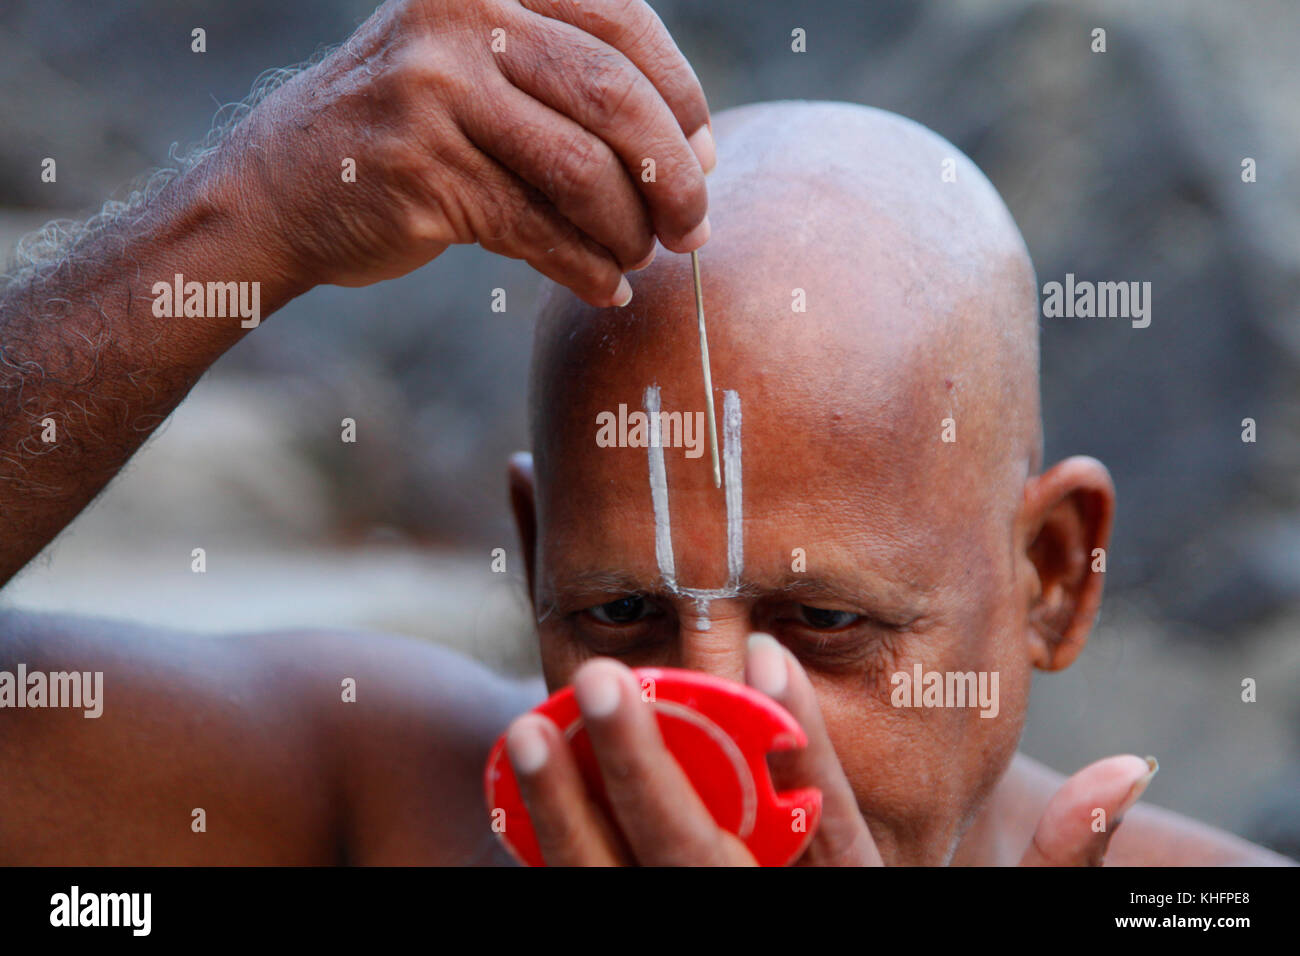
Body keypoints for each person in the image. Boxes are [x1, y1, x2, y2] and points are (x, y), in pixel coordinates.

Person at [0, 5, 1287, 865]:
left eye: (823, 624)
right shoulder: (391, 800)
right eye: (618, 615)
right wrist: (253, 210)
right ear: (528, 550)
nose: (710, 713)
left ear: (1051, 576)